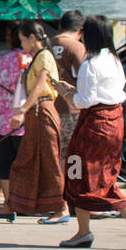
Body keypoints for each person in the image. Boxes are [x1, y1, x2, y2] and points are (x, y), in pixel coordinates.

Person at [51, 14, 126, 247]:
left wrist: (63, 92)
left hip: (94, 124)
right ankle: (83, 230)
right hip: (115, 120)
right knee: (107, 176)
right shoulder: (113, 60)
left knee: (78, 173)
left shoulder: (91, 63)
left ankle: (83, 231)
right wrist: (73, 90)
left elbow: (84, 101)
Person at [8, 20, 69, 222]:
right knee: (26, 159)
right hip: (35, 113)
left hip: (43, 111)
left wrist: (22, 110)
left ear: (32, 38)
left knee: (50, 160)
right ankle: (14, 205)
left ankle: (61, 207)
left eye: (23, 40)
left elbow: (40, 85)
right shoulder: (38, 56)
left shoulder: (44, 56)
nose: (22, 45)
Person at [0, 25, 30, 219]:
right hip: (26, 116)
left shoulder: (4, 59)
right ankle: (27, 202)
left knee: (5, 164)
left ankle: (9, 204)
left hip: (4, 117)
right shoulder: (31, 59)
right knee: (26, 163)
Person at [51, 11, 87, 160]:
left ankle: (56, 184)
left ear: (60, 26)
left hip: (49, 108)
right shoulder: (77, 47)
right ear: (80, 30)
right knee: (74, 155)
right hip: (72, 108)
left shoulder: (47, 44)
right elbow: (84, 79)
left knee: (54, 154)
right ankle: (70, 182)